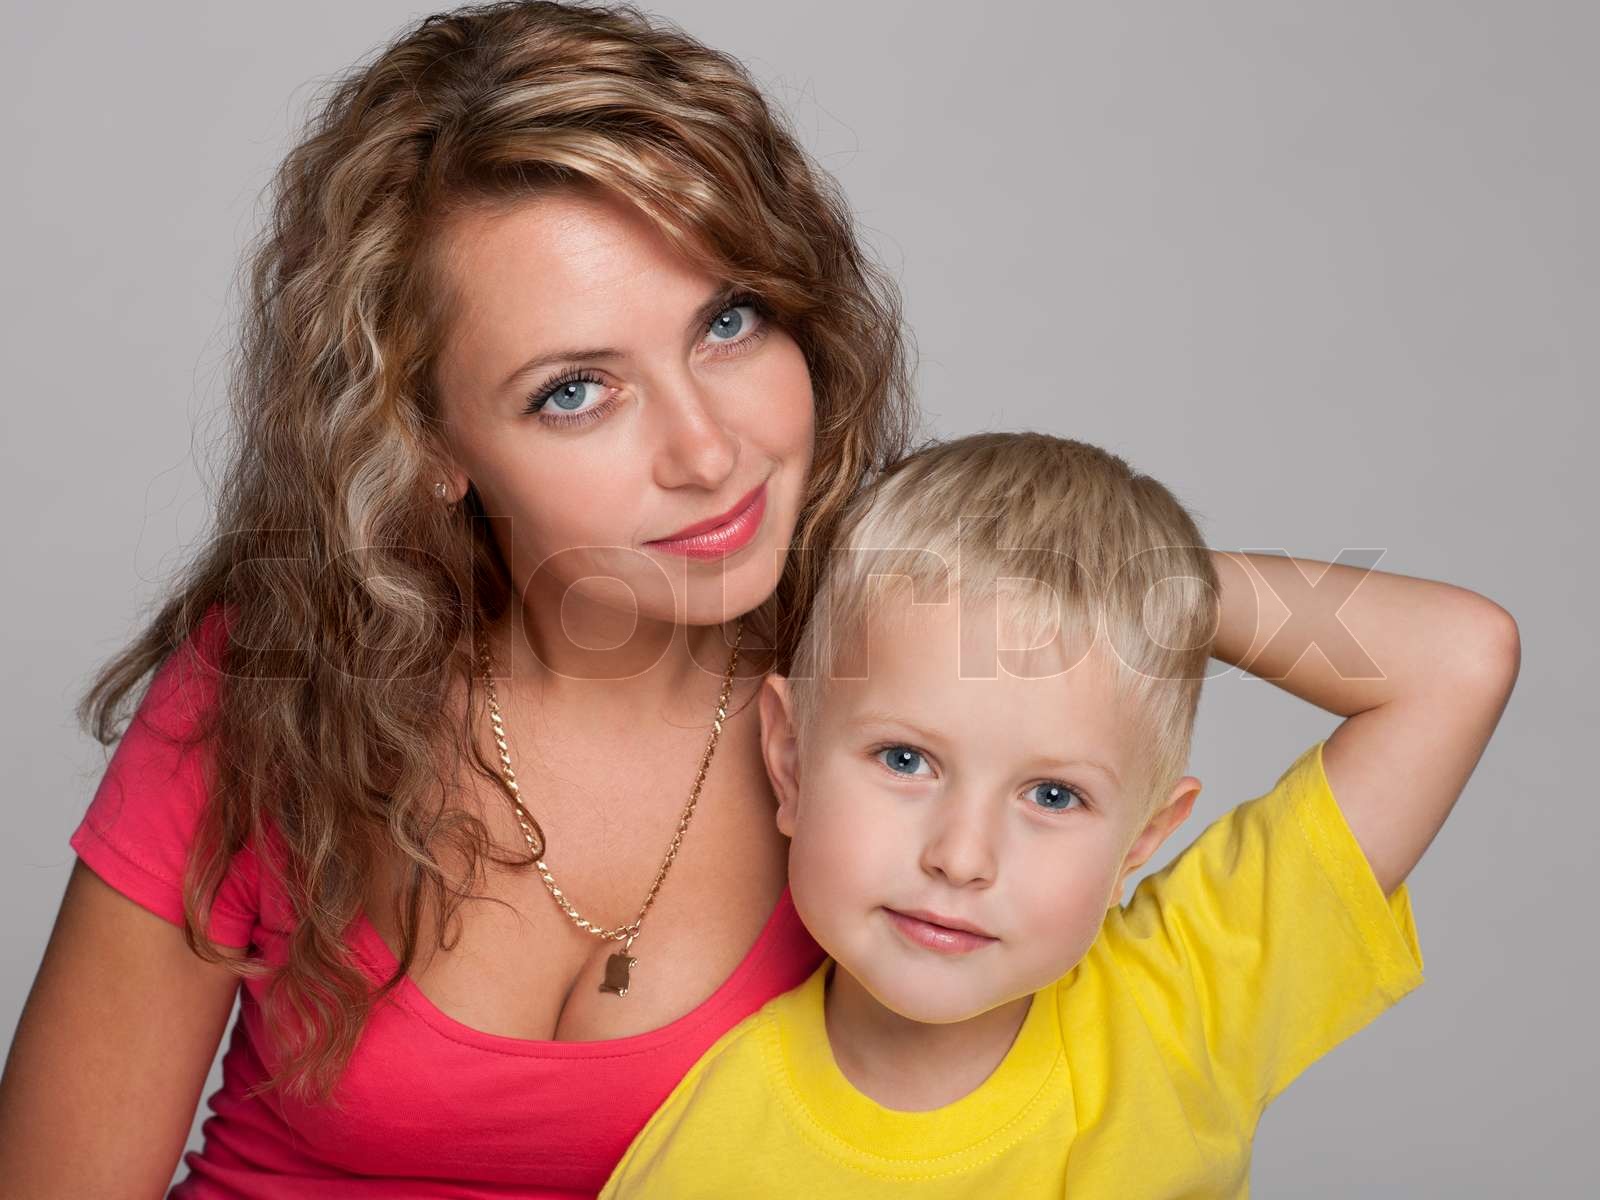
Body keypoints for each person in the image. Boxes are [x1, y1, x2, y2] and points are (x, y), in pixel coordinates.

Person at [597, 431, 1520, 1198]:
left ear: (1143, 837)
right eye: (906, 759)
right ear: (791, 761)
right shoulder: (711, 1147)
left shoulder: (1187, 1004)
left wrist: (1136, 585)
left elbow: (1457, 659)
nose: (962, 857)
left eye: (1053, 795)